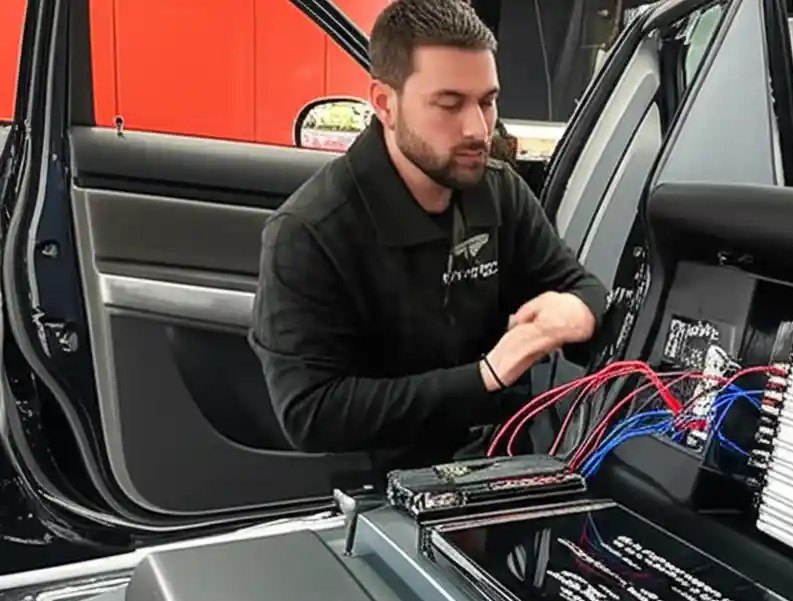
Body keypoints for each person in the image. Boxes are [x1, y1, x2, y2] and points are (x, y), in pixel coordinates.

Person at [249, 0, 607, 469]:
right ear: (384, 104)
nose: (478, 129)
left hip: (498, 467)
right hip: (378, 487)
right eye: (449, 103)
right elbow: (311, 413)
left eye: (487, 101)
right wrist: (483, 378)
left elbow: (579, 286)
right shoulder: (311, 231)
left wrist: (579, 310)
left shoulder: (498, 191)